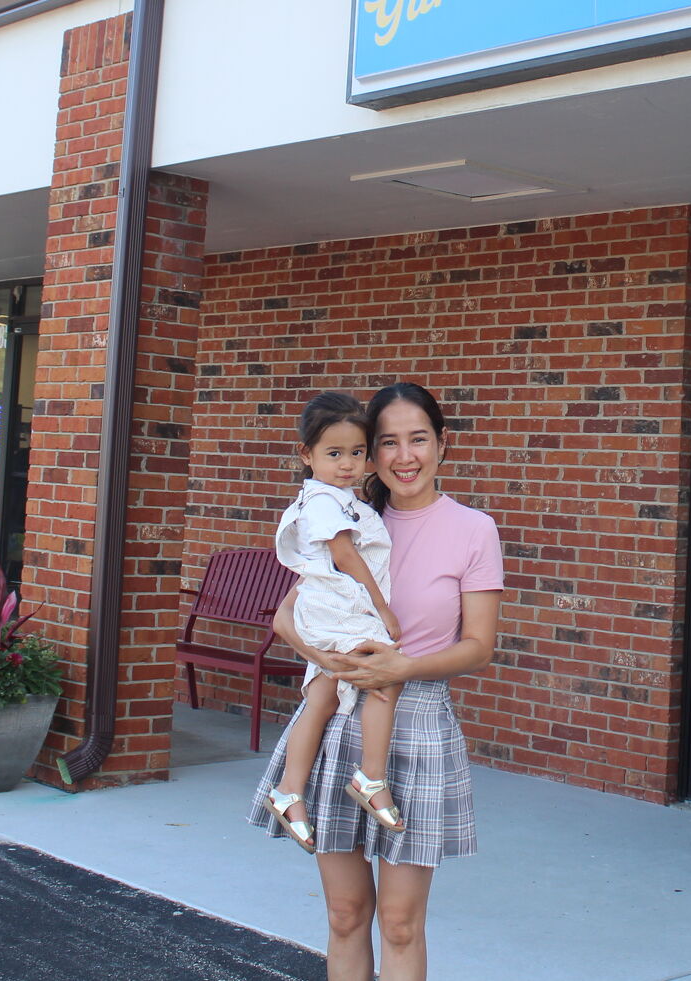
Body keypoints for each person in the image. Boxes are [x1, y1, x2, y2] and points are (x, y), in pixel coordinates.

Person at [248, 382, 503, 981]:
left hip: (414, 724)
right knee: (343, 912)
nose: (404, 456)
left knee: (399, 921)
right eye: (387, 442)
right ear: (369, 451)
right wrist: (328, 662)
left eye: (418, 439)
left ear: (443, 444)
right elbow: (288, 615)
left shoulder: (472, 529)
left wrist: (403, 666)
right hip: (338, 716)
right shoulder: (347, 517)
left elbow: (479, 647)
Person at [261, 392, 406, 854]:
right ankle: (370, 776)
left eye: (357, 453)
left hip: (330, 606)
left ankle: (288, 791)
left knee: (322, 697)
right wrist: (382, 608)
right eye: (334, 453)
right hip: (340, 606)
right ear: (306, 455)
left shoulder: (338, 498)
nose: (348, 464)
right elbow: (344, 555)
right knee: (384, 676)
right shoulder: (323, 501)